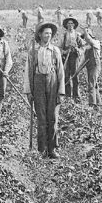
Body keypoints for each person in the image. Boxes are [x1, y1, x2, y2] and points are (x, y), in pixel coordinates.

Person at [25, 21, 65, 159]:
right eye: (45, 33)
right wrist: (29, 91)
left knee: (52, 117)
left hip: (52, 83)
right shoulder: (33, 51)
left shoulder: (55, 51)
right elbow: (28, 72)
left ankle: (52, 149)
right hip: (38, 84)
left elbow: (60, 72)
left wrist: (61, 92)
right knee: (41, 118)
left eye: (50, 33)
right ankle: (42, 149)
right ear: (40, 35)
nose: (48, 36)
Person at [58, 16, 85, 101]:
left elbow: (83, 47)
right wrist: (64, 52)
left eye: (72, 23)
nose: (70, 25)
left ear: (74, 25)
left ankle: (76, 95)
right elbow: (59, 47)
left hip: (74, 56)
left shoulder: (77, 35)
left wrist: (78, 50)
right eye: (68, 23)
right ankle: (68, 95)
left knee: (75, 75)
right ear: (66, 25)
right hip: (66, 57)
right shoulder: (64, 35)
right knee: (66, 75)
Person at [80, 28, 102, 106]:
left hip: (95, 66)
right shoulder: (87, 48)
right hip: (89, 67)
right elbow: (83, 62)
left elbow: (89, 40)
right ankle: (98, 103)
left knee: (91, 84)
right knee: (94, 84)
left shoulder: (96, 43)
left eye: (85, 37)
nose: (85, 40)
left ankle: (92, 103)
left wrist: (85, 32)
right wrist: (77, 71)